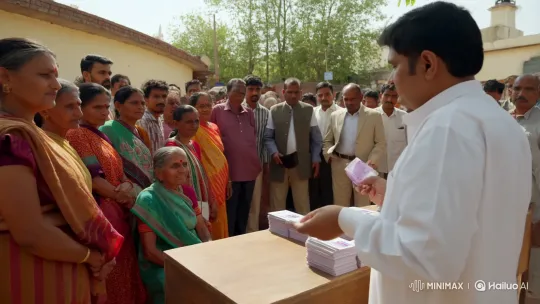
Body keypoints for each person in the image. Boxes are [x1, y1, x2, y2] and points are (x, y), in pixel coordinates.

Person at [295, 2, 531, 304]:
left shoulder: (448, 129)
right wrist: (394, 196)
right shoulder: (499, 123)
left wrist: (344, 219)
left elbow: (423, 257)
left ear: (428, 64)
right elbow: (469, 214)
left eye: (395, 65)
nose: (391, 79)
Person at [0, 37, 122, 303]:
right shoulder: (11, 138)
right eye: (45, 75)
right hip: (34, 274)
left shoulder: (39, 136)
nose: (56, 85)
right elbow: (30, 232)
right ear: (4, 77)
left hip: (68, 266)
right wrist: (92, 256)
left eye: (55, 76)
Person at [66, 83, 147, 304]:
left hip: (118, 209)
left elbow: (118, 171)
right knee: (113, 269)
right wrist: (121, 194)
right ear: (81, 108)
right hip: (104, 210)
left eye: (105, 106)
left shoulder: (101, 135)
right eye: (96, 107)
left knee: (125, 265)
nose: (104, 112)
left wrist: (126, 186)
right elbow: (94, 179)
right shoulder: (78, 134)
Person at [132, 146, 210, 304]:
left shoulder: (187, 192)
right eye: (175, 166)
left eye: (185, 164)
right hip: (164, 264)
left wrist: (209, 249)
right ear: (159, 173)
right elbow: (150, 251)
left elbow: (201, 227)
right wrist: (184, 268)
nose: (182, 170)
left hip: (193, 256)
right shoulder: (148, 199)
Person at [264, 78, 322, 215]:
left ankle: (304, 233)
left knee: (302, 204)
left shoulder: (308, 110)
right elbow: (268, 137)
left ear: (301, 93)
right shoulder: (274, 110)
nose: (293, 95)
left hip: (300, 164)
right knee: (277, 205)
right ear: (283, 92)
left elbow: (316, 138)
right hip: (279, 164)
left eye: (296, 92)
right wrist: (274, 152)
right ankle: (277, 233)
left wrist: (315, 158)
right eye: (290, 92)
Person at [166, 105, 218, 225]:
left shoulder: (194, 145)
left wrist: (212, 200)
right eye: (189, 122)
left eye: (196, 121)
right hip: (184, 204)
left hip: (201, 201)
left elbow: (202, 174)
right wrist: (195, 208)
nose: (194, 125)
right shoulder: (171, 147)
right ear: (176, 123)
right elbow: (175, 182)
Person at [191, 92, 230, 239]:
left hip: (221, 181)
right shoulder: (193, 131)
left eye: (208, 105)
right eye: (201, 106)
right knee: (209, 219)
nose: (206, 109)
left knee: (221, 218)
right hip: (206, 185)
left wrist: (228, 180)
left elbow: (220, 155)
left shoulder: (214, 127)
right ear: (193, 107)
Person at [100, 86, 153, 191]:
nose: (140, 107)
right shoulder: (108, 128)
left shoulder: (142, 133)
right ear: (118, 105)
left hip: (145, 190)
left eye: (143, 103)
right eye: (134, 103)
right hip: (122, 189)